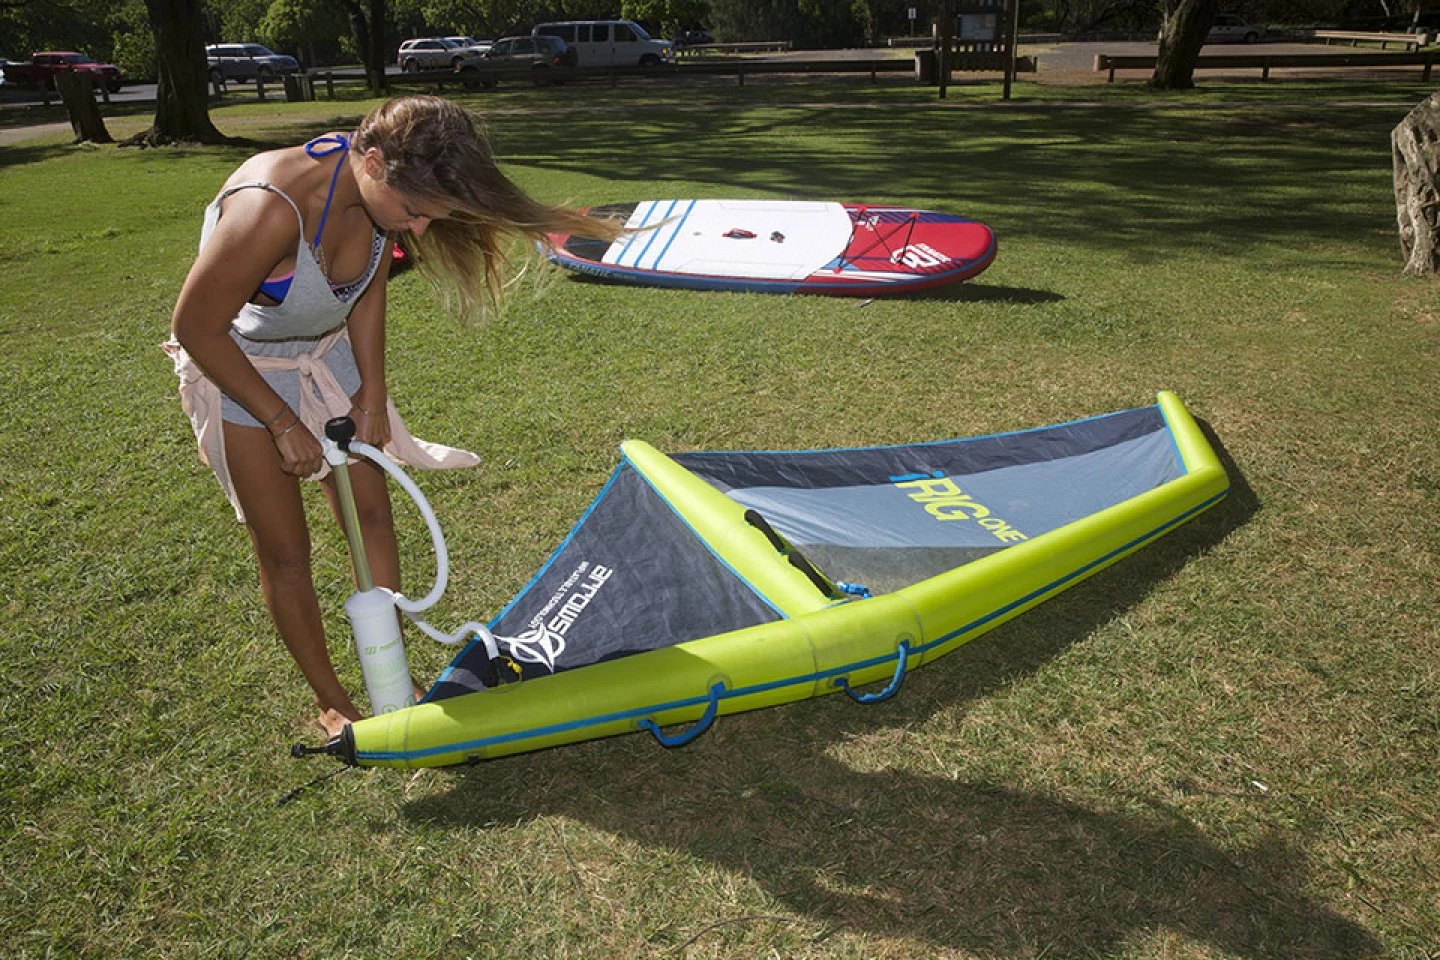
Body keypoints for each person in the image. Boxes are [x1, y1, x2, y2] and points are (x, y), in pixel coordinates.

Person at [166, 95, 618, 738]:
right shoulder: (271, 208)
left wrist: (373, 393)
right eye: (415, 212)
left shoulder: (377, 193)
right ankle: (331, 698)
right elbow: (196, 326)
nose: (423, 230)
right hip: (241, 370)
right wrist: (281, 423)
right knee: (286, 552)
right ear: (372, 162)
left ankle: (388, 665)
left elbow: (366, 290)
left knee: (371, 516)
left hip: (328, 356)